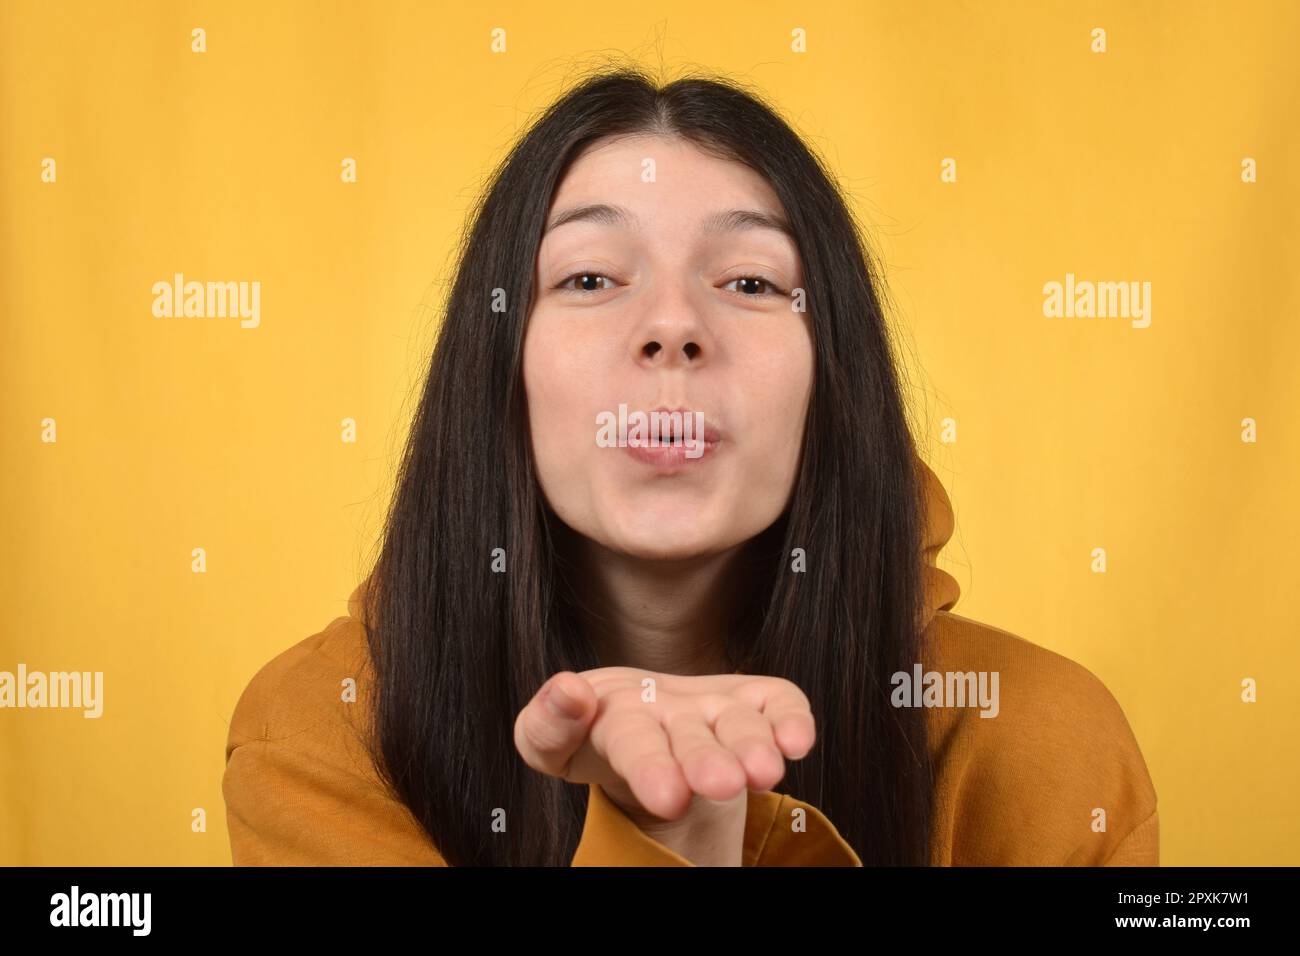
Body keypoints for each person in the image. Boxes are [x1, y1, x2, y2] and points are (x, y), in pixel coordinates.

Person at [222, 67, 1158, 867]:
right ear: (498, 368)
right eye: (590, 277)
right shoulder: (320, 729)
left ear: (833, 378)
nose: (673, 327)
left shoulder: (1037, 738)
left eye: (750, 281)